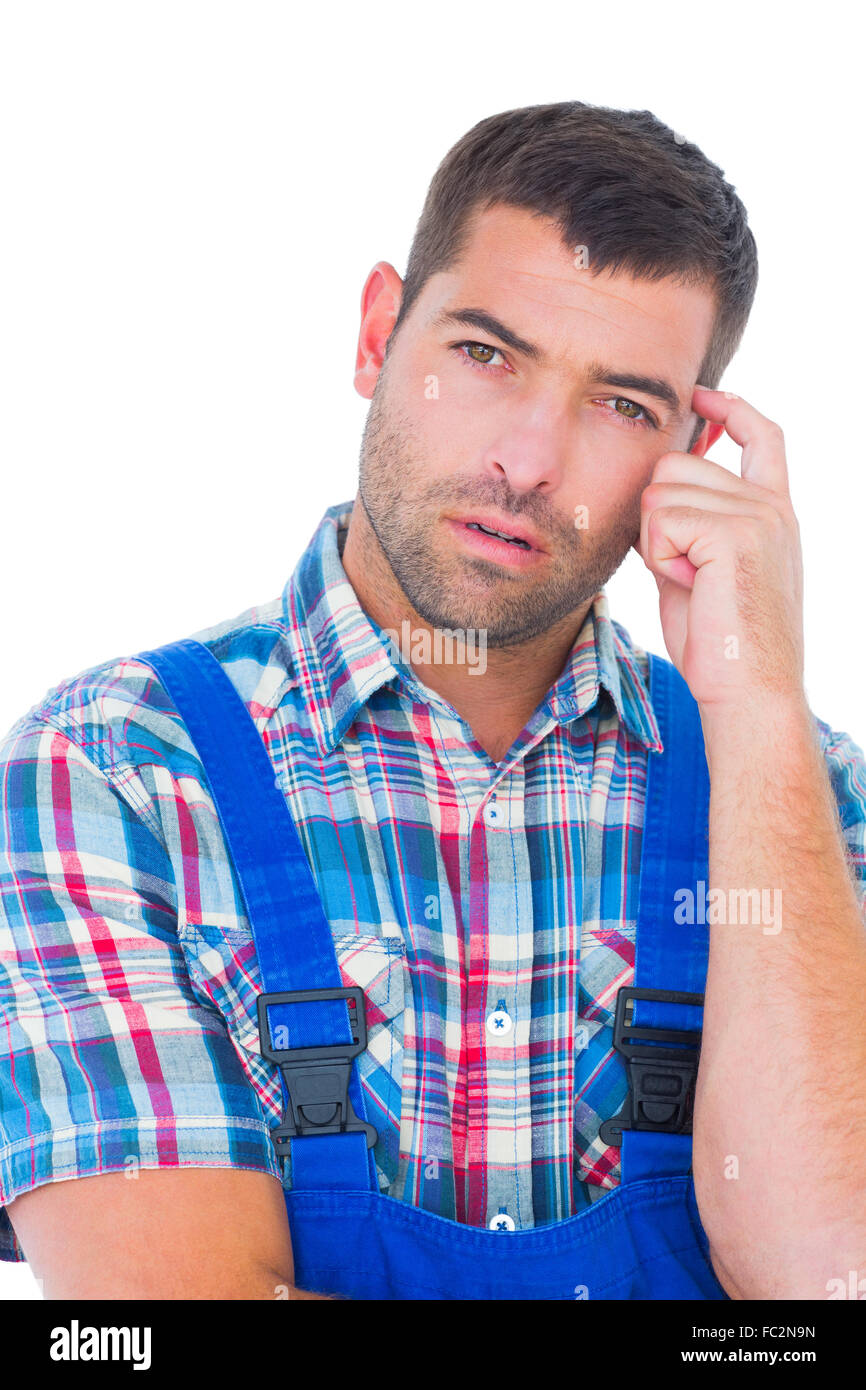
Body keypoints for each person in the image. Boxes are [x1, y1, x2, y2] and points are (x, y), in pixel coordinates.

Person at [2, 101, 865, 1301]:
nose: (526, 459)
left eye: (619, 403)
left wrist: (759, 696)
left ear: (689, 457)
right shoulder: (116, 770)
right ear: (376, 334)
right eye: (484, 354)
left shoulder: (806, 803)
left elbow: (828, 1280)